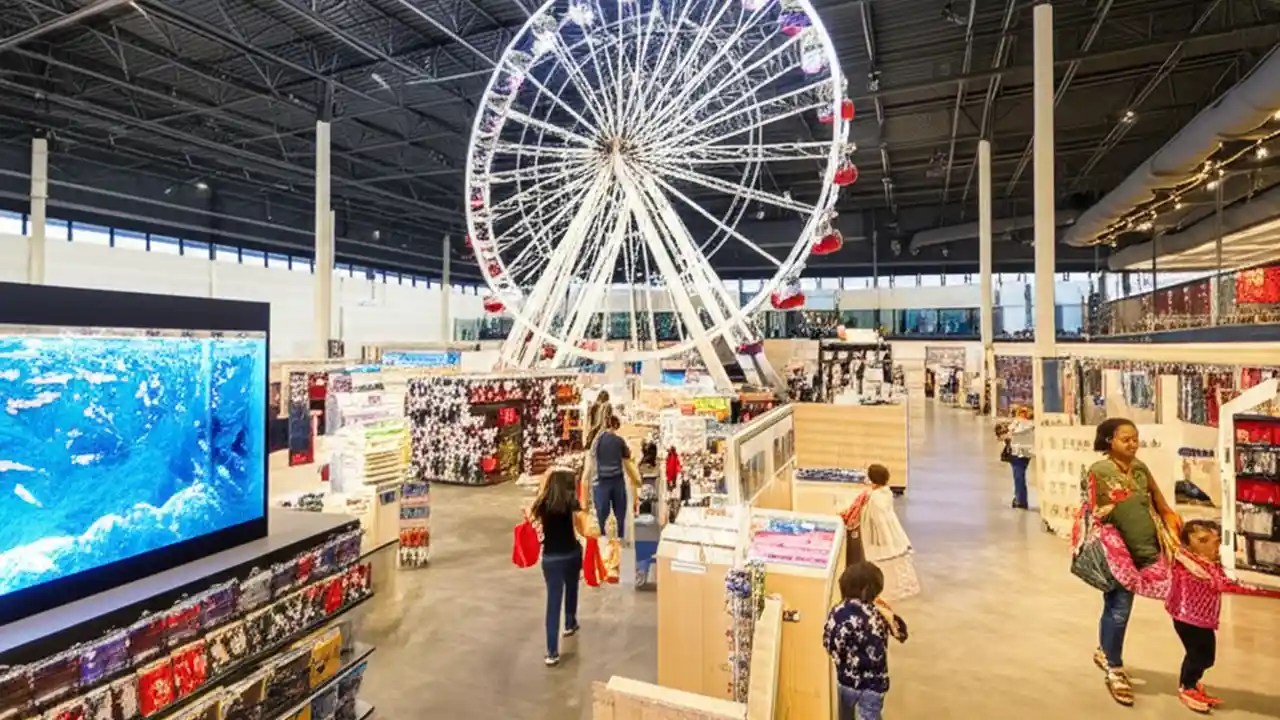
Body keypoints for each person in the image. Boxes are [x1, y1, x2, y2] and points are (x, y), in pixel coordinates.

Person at [1085, 417, 1183, 706]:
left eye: (1135, 437)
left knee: (1114, 606)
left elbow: (1162, 506)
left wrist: (1175, 535)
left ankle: (1105, 652)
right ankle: (1114, 668)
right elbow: (1092, 513)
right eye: (1125, 438)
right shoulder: (1098, 471)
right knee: (1119, 608)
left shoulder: (1140, 469)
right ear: (1108, 441)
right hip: (1118, 554)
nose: (1132, 443)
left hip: (1148, 551)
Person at [1165, 520, 1280, 712]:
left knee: (1206, 657)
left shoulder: (1210, 565)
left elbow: (1225, 581)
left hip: (1203, 621)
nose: (1213, 547)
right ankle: (1187, 686)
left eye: (1216, 541)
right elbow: (1225, 584)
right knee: (1198, 656)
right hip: (1187, 620)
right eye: (1203, 541)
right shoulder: (1185, 564)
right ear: (1188, 544)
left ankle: (1191, 681)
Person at [822, 562, 908, 720]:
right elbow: (901, 633)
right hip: (874, 684)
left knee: (845, 716)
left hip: (846, 680)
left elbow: (829, 643)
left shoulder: (837, 612)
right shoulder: (878, 614)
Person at [529, 469, 593, 667]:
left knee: (552, 603)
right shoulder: (571, 504)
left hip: (550, 558)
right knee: (572, 588)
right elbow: (582, 523)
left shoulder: (541, 505)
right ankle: (570, 622)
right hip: (571, 554)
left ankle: (551, 651)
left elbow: (531, 518)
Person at [857, 465, 919, 601]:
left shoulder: (874, 499)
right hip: (893, 538)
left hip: (880, 542)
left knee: (883, 572)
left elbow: (878, 522)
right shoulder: (886, 493)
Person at [583, 415, 632, 541]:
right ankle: (620, 535)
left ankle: (602, 534)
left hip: (601, 480)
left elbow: (592, 456)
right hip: (617, 479)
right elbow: (627, 455)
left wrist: (589, 478)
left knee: (602, 509)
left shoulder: (597, 440)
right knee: (620, 509)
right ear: (616, 426)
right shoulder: (619, 441)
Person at [996, 406, 1034, 509]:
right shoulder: (1031, 424)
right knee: (1020, 476)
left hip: (1017, 453)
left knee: (1018, 477)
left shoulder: (1018, 424)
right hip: (1026, 454)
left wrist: (1004, 436)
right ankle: (1020, 499)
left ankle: (1020, 501)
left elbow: (1007, 434)